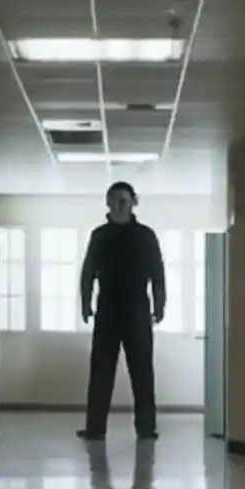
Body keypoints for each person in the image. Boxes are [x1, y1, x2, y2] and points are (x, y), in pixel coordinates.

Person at [77, 181, 165, 441]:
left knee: (142, 371)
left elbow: (157, 272)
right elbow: (88, 272)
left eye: (124, 200)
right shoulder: (100, 235)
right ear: (107, 202)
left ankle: (146, 428)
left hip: (137, 308)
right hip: (107, 309)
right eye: (115, 199)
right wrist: (85, 303)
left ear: (133, 202)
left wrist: (160, 304)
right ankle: (95, 428)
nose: (120, 204)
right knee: (101, 370)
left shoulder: (146, 236)